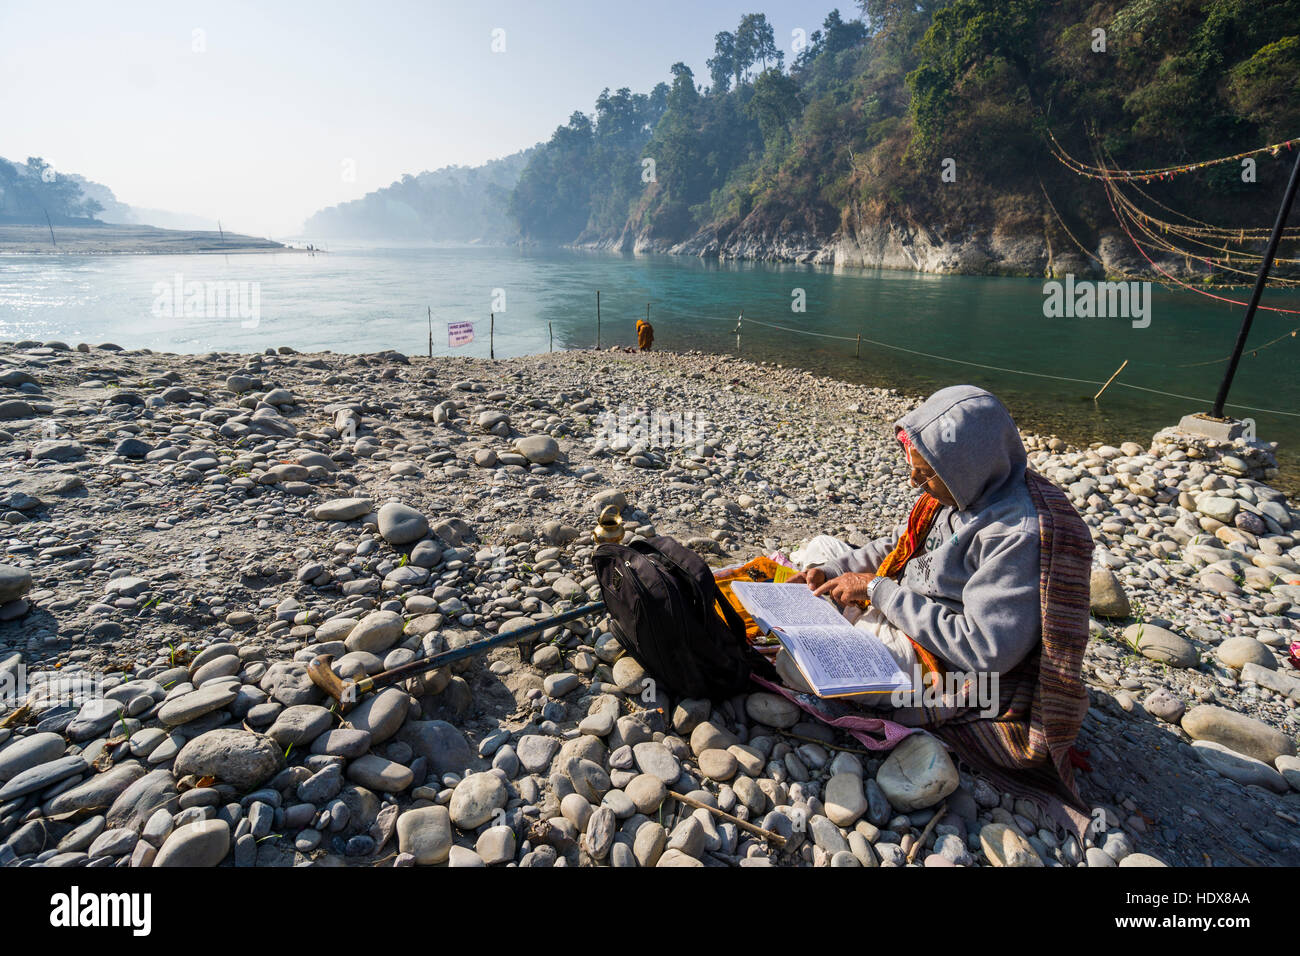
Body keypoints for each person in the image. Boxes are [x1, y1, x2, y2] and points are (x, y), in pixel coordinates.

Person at [779, 384, 1094, 816]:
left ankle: (844, 641)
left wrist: (874, 591)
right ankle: (840, 619)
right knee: (820, 549)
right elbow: (896, 545)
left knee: (794, 662)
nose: (916, 482)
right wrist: (836, 573)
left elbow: (985, 652)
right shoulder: (957, 491)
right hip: (903, 602)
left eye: (927, 474)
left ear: (966, 466)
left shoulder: (1014, 536)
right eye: (917, 470)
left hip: (940, 659)